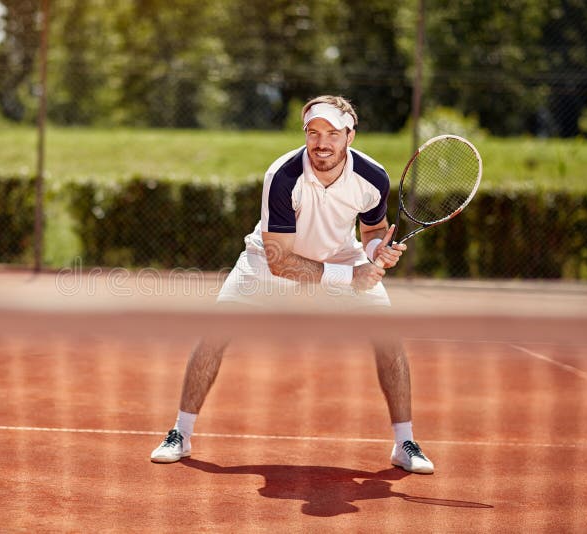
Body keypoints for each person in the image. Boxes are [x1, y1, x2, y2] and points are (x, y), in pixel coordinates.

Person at [150, 95, 434, 474]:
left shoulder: (373, 177)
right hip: (267, 264)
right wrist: (352, 277)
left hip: (341, 258)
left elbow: (373, 228)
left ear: (350, 135)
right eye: (313, 132)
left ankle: (405, 443)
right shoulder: (282, 176)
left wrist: (374, 251)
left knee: (389, 339)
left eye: (332, 133)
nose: (322, 143)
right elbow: (279, 260)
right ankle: (180, 434)